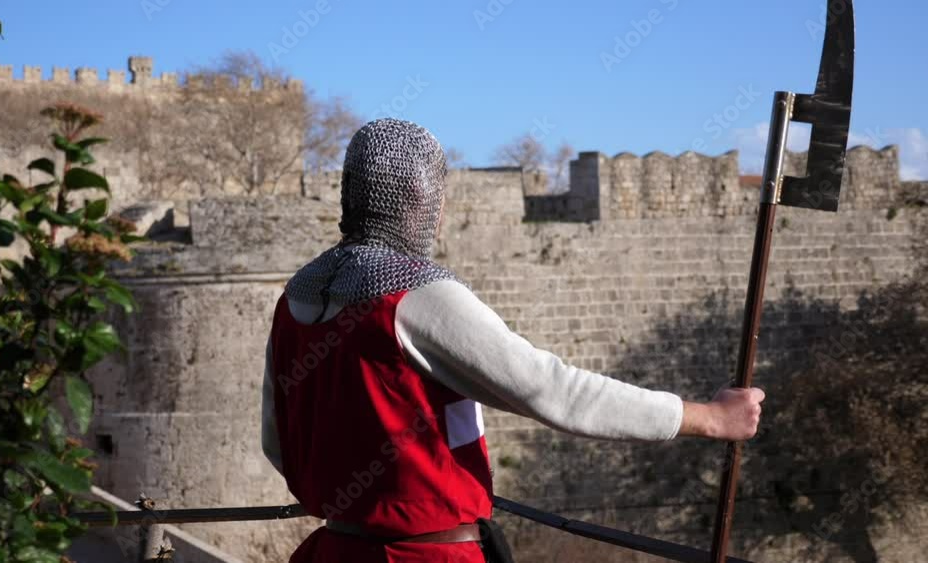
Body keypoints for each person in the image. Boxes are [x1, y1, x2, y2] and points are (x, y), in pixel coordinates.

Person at [261, 118, 765, 563]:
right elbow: (553, 391)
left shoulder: (296, 298)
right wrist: (708, 418)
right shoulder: (414, 295)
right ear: (423, 198)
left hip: (332, 550)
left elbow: (278, 443)